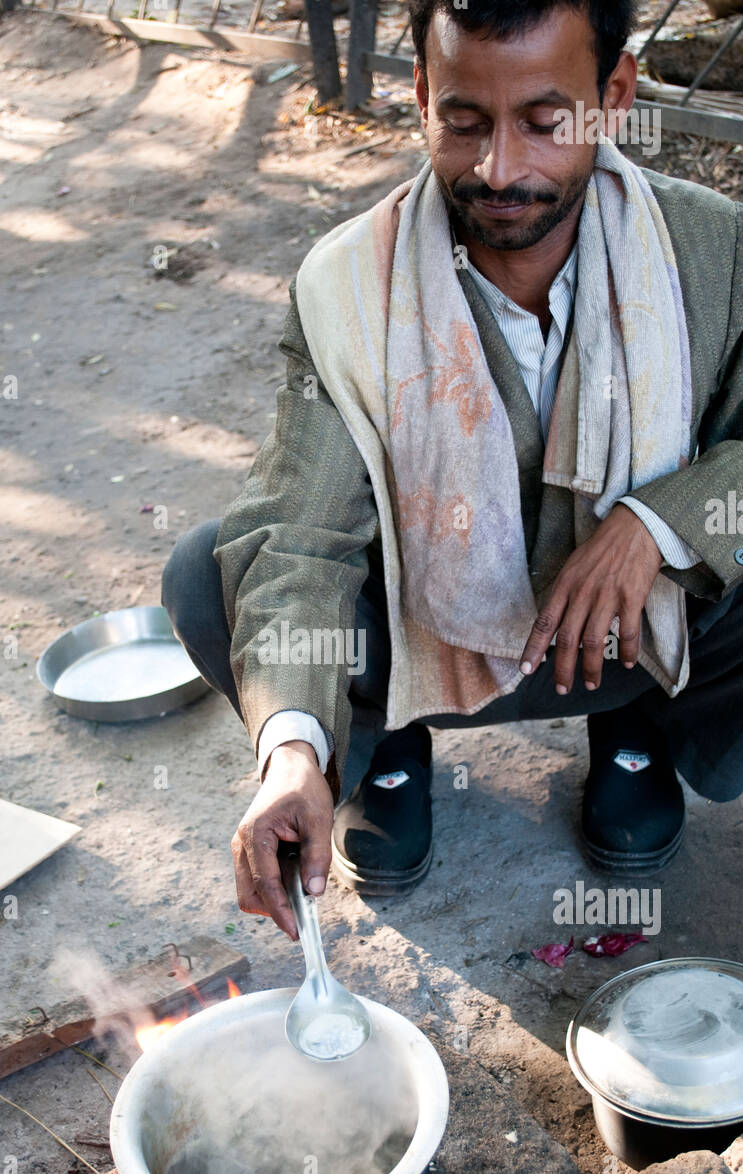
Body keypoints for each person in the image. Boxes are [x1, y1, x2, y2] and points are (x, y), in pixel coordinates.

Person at [163, 0, 743, 940]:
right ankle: (376, 749)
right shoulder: (347, 283)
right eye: (463, 122)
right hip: (425, 641)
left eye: (544, 124)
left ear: (614, 97)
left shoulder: (712, 251)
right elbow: (300, 536)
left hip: (633, 635)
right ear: (423, 98)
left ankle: (640, 722)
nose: (499, 170)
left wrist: (657, 524)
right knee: (207, 573)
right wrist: (290, 752)